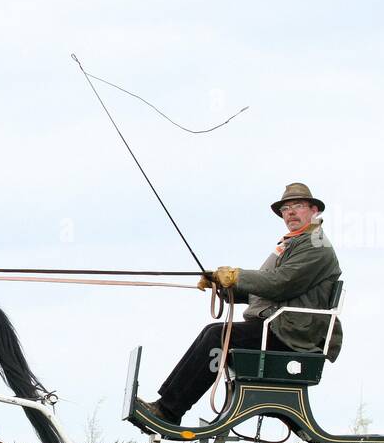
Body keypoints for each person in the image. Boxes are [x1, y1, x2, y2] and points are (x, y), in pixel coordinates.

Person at [138, 182, 343, 426]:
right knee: (212, 332)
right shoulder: (291, 243)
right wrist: (225, 286)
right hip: (278, 327)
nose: (290, 212)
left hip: (292, 334)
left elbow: (279, 283)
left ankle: (169, 411)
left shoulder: (315, 245)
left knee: (217, 335)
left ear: (313, 210)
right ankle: (165, 406)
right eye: (286, 208)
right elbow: (265, 291)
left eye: (297, 206)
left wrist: (237, 276)